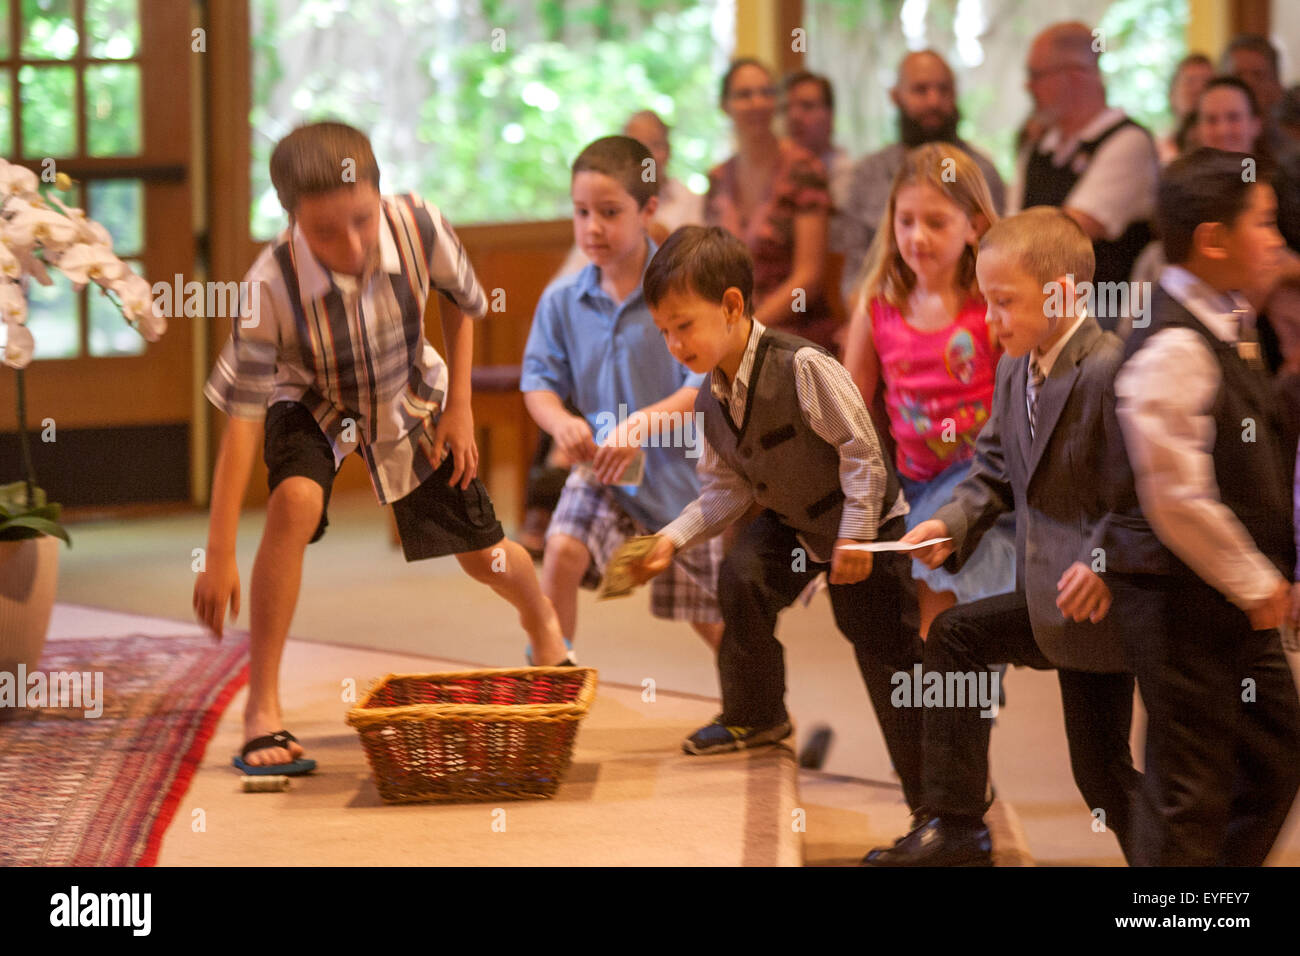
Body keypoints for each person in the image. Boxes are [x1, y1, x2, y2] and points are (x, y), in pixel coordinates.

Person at [193, 122, 571, 774]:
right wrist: (219, 551)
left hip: (406, 396)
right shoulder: (268, 287)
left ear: (379, 193)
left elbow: (462, 300)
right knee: (294, 503)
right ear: (291, 223)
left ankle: (543, 626)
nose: (353, 244)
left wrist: (460, 410)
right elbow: (244, 421)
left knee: (484, 556)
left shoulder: (419, 224)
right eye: (325, 233)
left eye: (363, 220)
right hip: (310, 399)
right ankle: (263, 710)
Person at [862, 208, 1146, 866]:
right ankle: (958, 825)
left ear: (1064, 294)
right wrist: (947, 525)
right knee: (957, 637)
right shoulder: (1019, 365)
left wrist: (1102, 564)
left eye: (1004, 304)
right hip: (1045, 589)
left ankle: (1190, 890)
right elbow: (991, 469)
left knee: (1102, 776)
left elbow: (1137, 496)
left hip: (1098, 604)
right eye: (986, 303)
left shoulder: (1106, 370)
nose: (990, 323)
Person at [627, 226, 923, 807]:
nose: (674, 344)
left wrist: (858, 534)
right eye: (664, 331)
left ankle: (939, 803)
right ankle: (756, 715)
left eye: (683, 325)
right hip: (793, 524)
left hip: (864, 523)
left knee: (884, 653)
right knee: (742, 577)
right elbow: (725, 493)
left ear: (733, 306)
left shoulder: (805, 365)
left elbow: (863, 452)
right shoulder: (710, 398)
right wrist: (670, 538)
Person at [1115, 148, 1300, 866]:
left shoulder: (1227, 319)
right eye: (1266, 225)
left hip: (1228, 594)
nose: (1280, 242)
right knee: (1191, 785)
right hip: (1179, 597)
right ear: (1212, 241)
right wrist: (1255, 582)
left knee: (1274, 755)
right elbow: (1176, 495)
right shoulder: (1173, 346)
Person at [521, 136, 724, 657]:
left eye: (610, 212)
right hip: (607, 473)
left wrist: (639, 426)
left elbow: (700, 386)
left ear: (649, 210)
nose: (593, 227)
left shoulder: (683, 289)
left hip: (686, 480)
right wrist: (560, 424)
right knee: (562, 552)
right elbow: (539, 382)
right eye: (581, 211)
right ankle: (552, 677)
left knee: (714, 616)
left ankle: (757, 710)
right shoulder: (561, 299)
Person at [841, 143, 1014, 637]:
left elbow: (1017, 396)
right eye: (906, 220)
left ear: (975, 225)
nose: (918, 237)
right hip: (910, 478)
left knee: (943, 613)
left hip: (978, 479)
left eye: (936, 222)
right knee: (931, 616)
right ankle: (966, 697)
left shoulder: (988, 303)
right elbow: (851, 403)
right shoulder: (877, 303)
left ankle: (962, 695)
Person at [1013, 21, 1159, 318]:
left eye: (1036, 75)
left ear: (1076, 76)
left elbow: (1067, 235)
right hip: (1038, 310)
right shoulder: (1038, 149)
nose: (1027, 86)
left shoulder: (1128, 142)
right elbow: (1007, 234)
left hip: (1104, 314)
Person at [840, 50, 1006, 306]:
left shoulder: (982, 173)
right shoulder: (868, 175)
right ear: (896, 97)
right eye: (921, 90)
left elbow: (1000, 262)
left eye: (944, 90)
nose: (934, 101)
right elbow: (855, 275)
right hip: (885, 314)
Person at [707, 59, 837, 352]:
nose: (757, 103)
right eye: (744, 95)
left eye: (766, 93)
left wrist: (746, 330)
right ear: (725, 105)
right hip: (730, 330)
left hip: (793, 336)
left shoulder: (804, 170)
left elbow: (809, 277)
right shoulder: (716, 179)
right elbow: (710, 270)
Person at [780, 70, 853, 245]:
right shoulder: (774, 173)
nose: (794, 116)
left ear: (830, 115)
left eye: (807, 106)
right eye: (785, 108)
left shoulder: (850, 177)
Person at [1159, 53, 1214, 163]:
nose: (1199, 89)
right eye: (1190, 82)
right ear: (1172, 94)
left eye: (1207, 82)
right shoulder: (1157, 153)